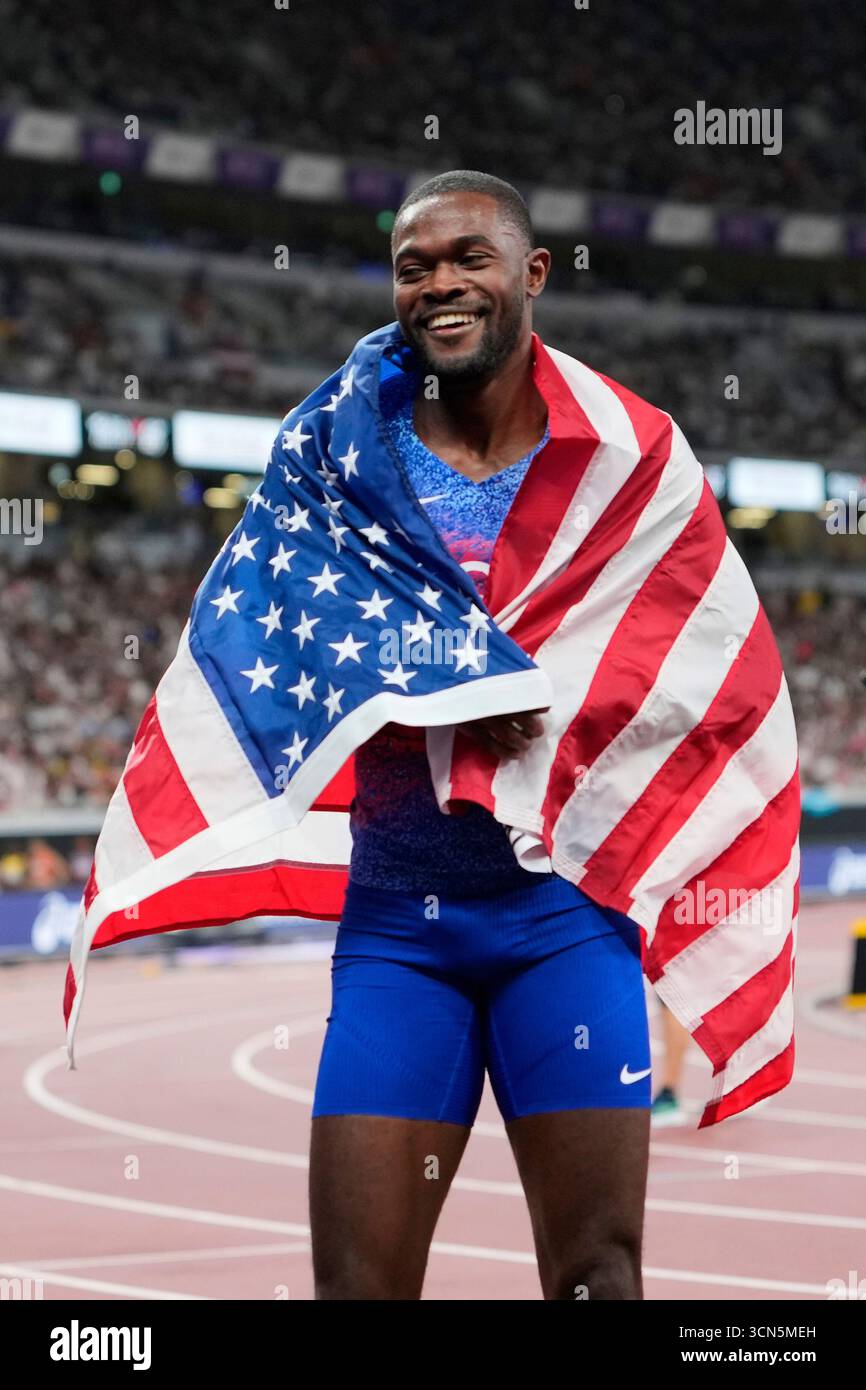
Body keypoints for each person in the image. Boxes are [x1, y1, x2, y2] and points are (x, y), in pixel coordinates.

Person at [308, 171, 652, 1301]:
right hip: (398, 928)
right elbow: (293, 642)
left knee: (597, 1274)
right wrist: (439, 688)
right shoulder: (340, 457)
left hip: (565, 918)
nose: (439, 284)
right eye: (413, 266)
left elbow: (681, 667)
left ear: (530, 274)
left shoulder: (616, 459)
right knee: (360, 1289)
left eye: (468, 258)